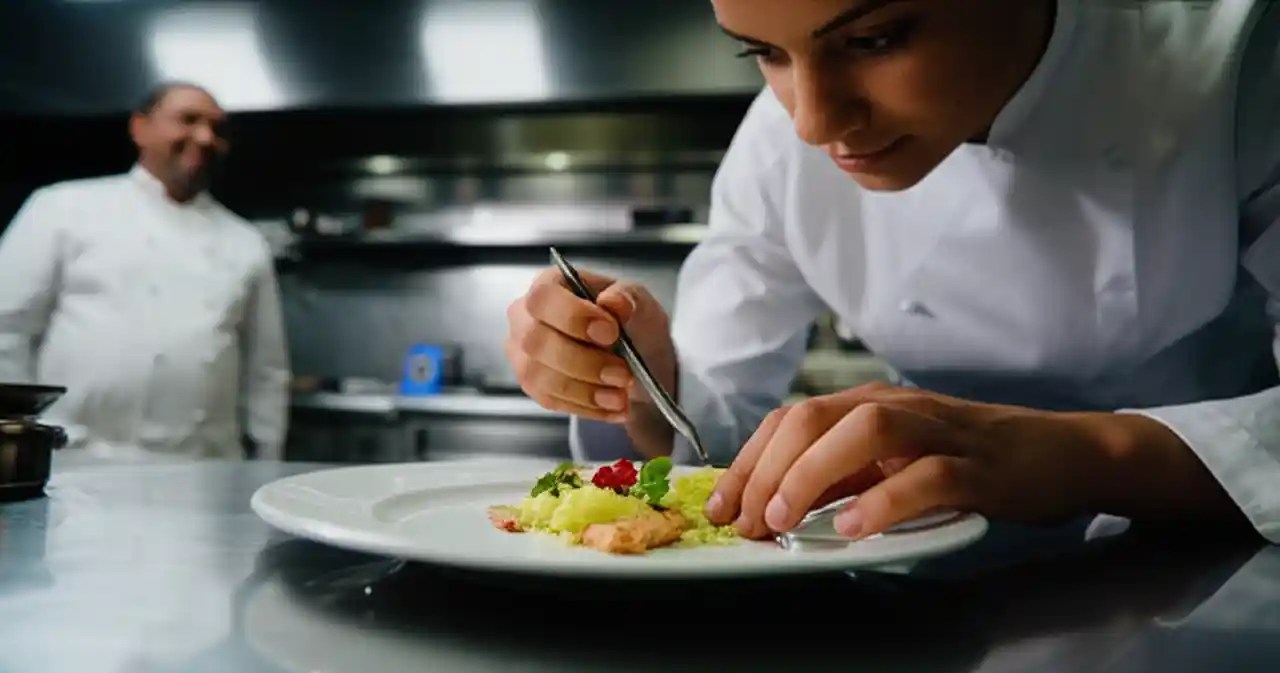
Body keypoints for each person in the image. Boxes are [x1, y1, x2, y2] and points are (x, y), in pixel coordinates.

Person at [505, 0, 1280, 542]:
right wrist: (647, 382)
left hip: (1221, 559)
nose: (812, 122)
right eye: (764, 53)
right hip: (936, 592)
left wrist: (1092, 457)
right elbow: (723, 445)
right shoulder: (776, 145)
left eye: (874, 39)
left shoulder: (1243, 63)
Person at [0, 82, 290, 462]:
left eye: (218, 129)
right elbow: (7, 327)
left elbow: (265, 369)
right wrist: (19, 440)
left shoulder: (245, 240)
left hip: (203, 471)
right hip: (74, 459)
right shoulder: (62, 208)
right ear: (139, 128)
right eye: (187, 120)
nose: (204, 137)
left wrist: (268, 460)